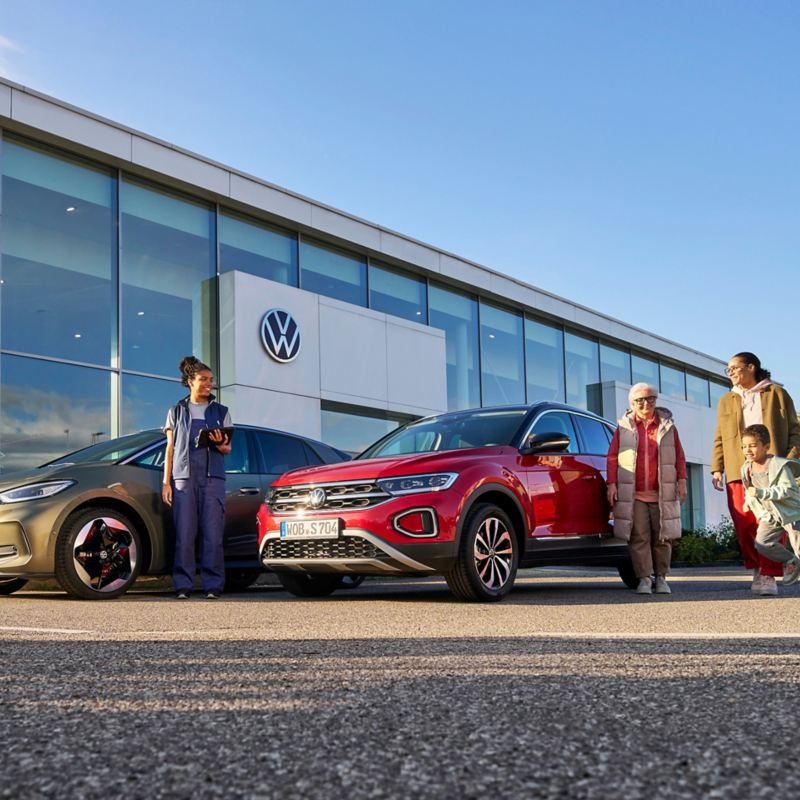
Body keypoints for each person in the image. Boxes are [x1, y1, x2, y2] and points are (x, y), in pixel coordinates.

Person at [711, 351, 800, 596]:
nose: (730, 373)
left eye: (734, 368)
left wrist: (789, 462)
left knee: (771, 521)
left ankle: (769, 573)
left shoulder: (777, 394)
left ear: (751, 367)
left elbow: (795, 430)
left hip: (772, 468)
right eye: (728, 370)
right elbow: (720, 435)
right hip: (738, 469)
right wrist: (717, 467)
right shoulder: (727, 399)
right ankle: (757, 567)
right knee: (744, 522)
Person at [607, 383, 688, 595]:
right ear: (632, 404)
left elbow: (679, 456)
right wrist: (612, 484)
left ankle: (661, 578)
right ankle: (644, 578)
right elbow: (612, 457)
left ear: (656, 401)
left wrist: (682, 481)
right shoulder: (623, 428)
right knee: (639, 536)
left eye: (650, 399)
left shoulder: (668, 427)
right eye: (640, 400)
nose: (645, 404)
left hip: (662, 492)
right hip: (634, 494)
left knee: (663, 536)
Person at [162, 356, 232, 599]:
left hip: (213, 479)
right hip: (183, 478)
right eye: (203, 380)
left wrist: (220, 444)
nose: (208, 384)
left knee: (212, 535)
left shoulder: (221, 411)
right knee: (184, 534)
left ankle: (213, 586)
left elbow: (227, 449)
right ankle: (183, 585)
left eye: (211, 380)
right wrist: (166, 482)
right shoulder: (176, 411)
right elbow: (170, 448)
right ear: (190, 381)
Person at [740, 425, 800, 590]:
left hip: (791, 512)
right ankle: (790, 560)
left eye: (752, 445)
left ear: (766, 446)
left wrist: (761, 492)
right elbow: (749, 490)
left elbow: (788, 489)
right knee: (762, 543)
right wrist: (748, 501)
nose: (748, 450)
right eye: (744, 446)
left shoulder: (779, 466)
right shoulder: (747, 467)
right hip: (770, 514)